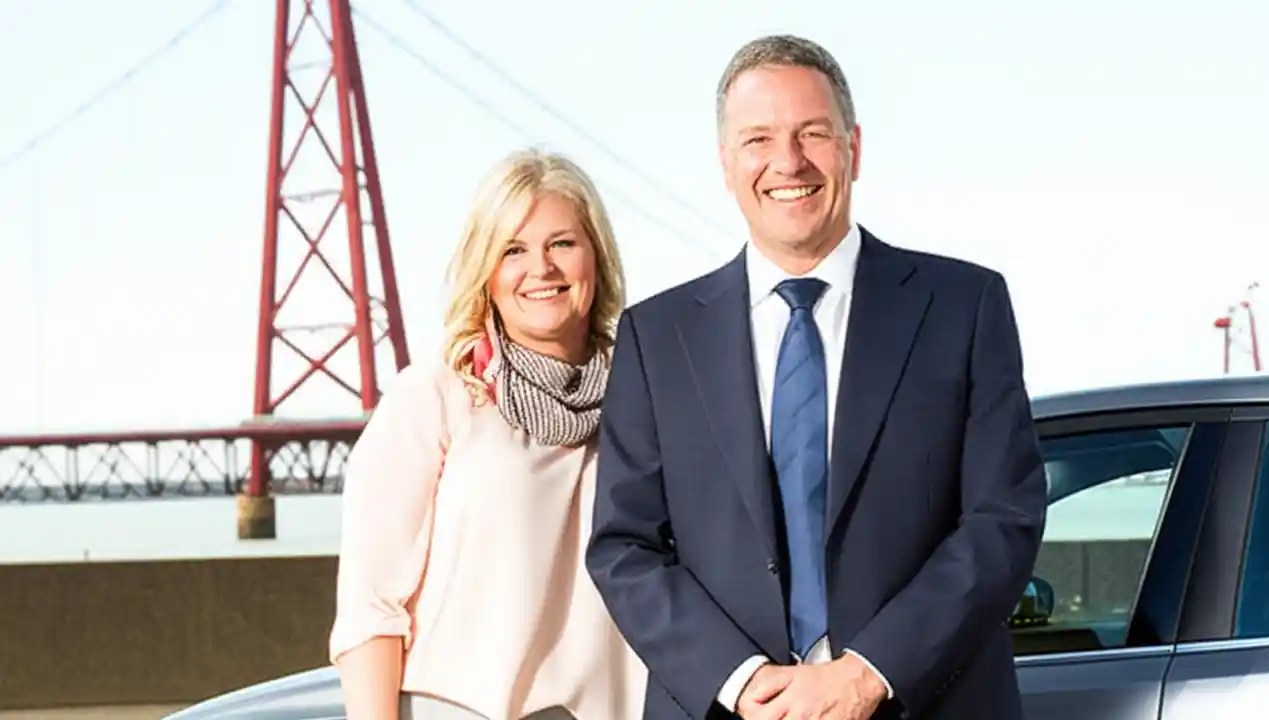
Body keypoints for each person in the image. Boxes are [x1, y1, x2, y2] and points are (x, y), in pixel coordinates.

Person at [586, 35, 1047, 720]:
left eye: (812, 133)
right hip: (730, 708)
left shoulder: (962, 307)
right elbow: (624, 547)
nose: (788, 162)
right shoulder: (658, 336)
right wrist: (742, 681)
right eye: (758, 139)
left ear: (853, 147)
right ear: (725, 162)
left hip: (922, 702)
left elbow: (1001, 518)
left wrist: (868, 672)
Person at [329, 148, 647, 720]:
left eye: (562, 244)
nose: (542, 269)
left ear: (596, 257)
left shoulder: (645, 401)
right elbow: (371, 605)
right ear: (486, 272)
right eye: (514, 251)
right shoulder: (436, 396)